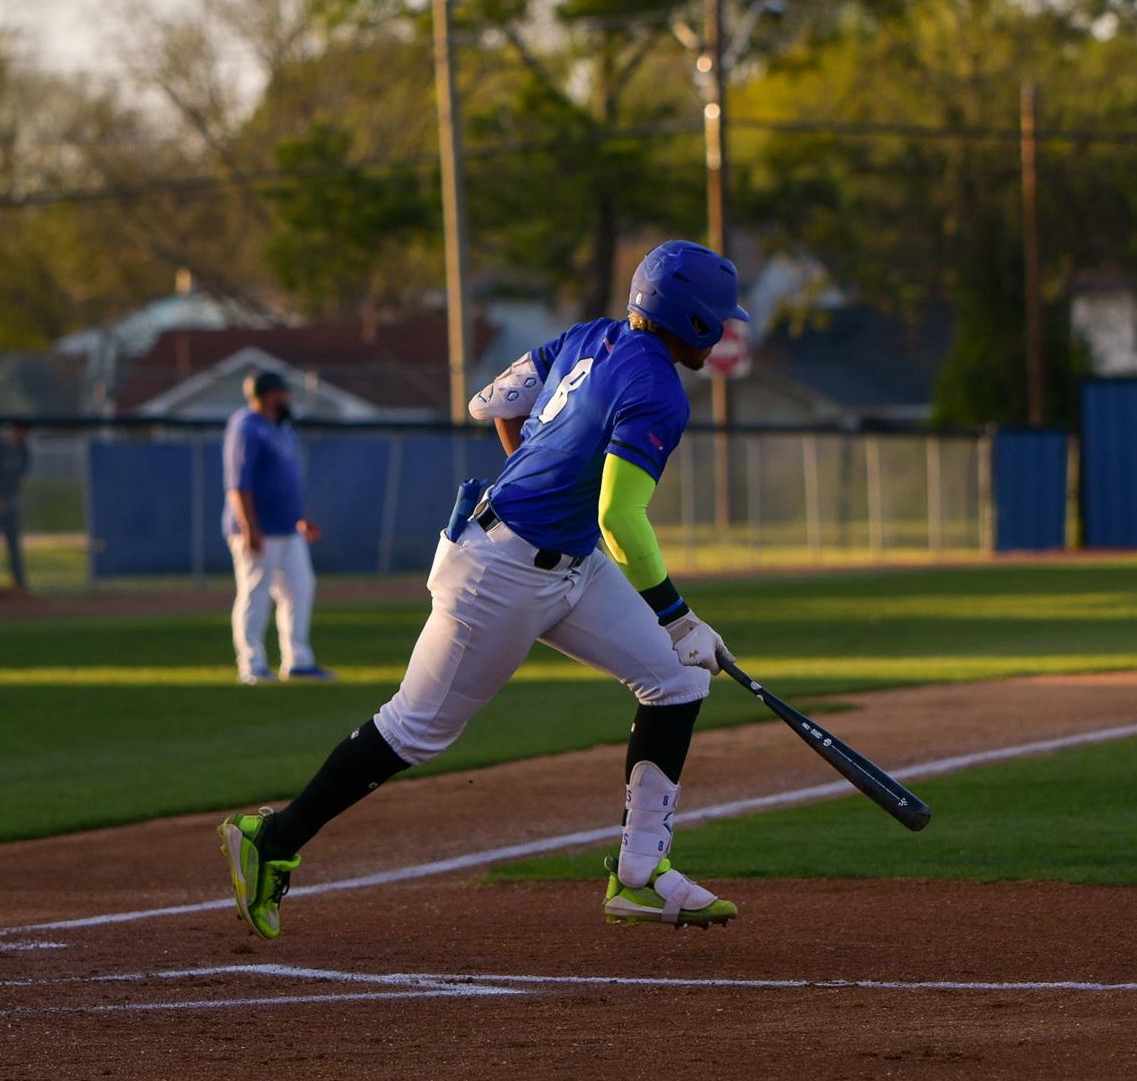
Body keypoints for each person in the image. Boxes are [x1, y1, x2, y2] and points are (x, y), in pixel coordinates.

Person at [217, 240, 751, 938]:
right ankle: (272, 839)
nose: (722, 331)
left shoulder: (591, 335)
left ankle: (640, 874)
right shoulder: (658, 391)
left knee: (677, 681)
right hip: (499, 572)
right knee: (414, 728)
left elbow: (490, 402)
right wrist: (678, 618)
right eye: (718, 319)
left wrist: (540, 462)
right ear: (693, 320)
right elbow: (620, 518)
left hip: (564, 560)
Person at [223, 371, 331, 684]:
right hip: (259, 528)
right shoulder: (246, 427)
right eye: (283, 392)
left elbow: (286, 481)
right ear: (268, 394)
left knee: (300, 588)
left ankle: (298, 661)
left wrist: (301, 516)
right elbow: (238, 484)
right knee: (255, 593)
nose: (288, 398)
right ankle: (252, 664)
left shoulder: (281, 427)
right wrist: (249, 528)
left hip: (287, 526)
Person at [0, 423, 32, 591]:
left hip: (10, 503)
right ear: (15, 431)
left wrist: (13, 497)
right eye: (21, 432)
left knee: (14, 544)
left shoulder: (24, 450)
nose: (24, 437)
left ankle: (20, 584)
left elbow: (22, 478)